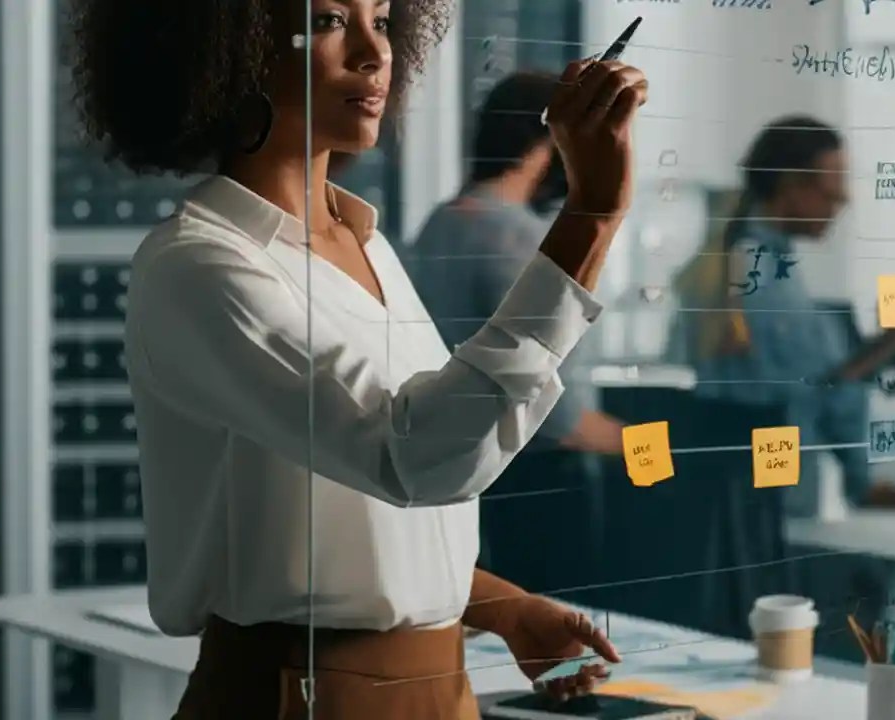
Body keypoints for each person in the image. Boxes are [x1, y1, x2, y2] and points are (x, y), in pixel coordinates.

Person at [71, 0, 647, 717]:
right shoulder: (200, 268)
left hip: (442, 690)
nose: (375, 53)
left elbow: (352, 507)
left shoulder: (364, 243)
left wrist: (504, 609)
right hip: (301, 696)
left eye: (383, 18)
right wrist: (591, 215)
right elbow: (417, 456)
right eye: (328, 21)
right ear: (229, 50)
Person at [406, 72, 625, 599]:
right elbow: (562, 421)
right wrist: (663, 453)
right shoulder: (525, 238)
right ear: (549, 146)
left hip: (457, 480)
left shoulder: (438, 224)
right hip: (538, 490)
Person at [671, 116, 895, 515]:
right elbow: (812, 393)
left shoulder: (742, 261)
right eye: (831, 191)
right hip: (770, 501)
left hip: (747, 495)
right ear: (790, 184)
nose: (843, 202)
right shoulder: (759, 274)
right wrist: (882, 350)